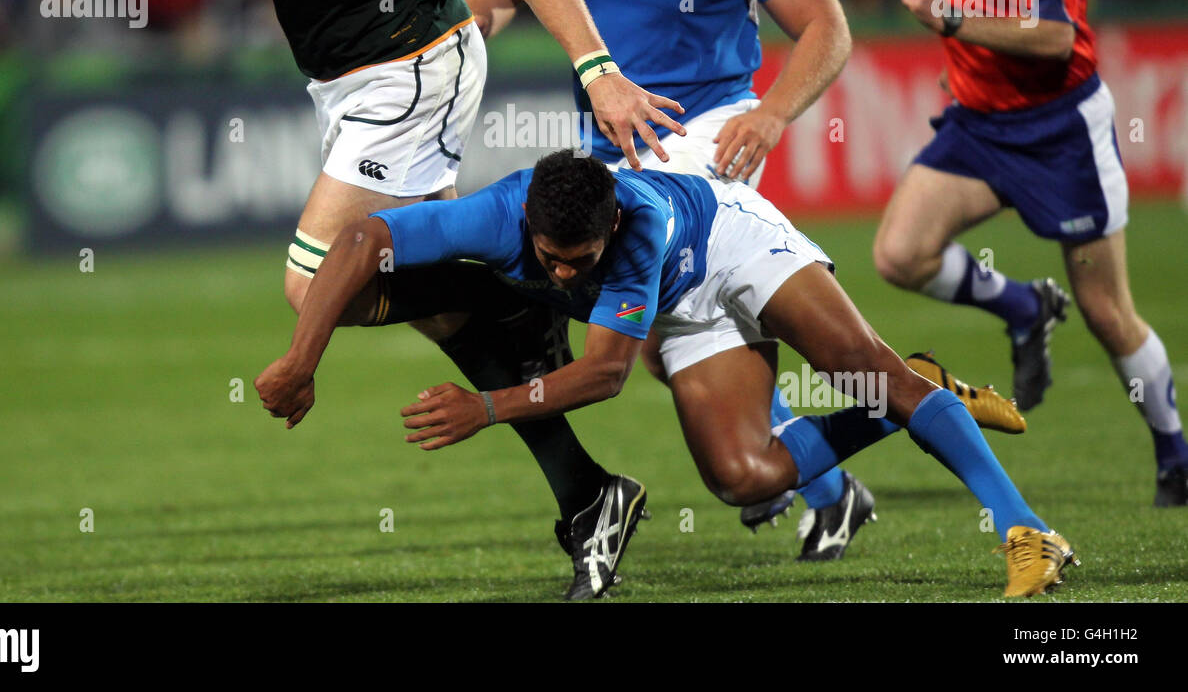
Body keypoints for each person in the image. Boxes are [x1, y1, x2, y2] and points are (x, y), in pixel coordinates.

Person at [60, 0, 687, 597]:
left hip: (418, 67)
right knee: (432, 305)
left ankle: (518, 296)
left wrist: (598, 69)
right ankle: (584, 480)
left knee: (316, 279)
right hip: (335, 84)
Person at [459, 0, 1020, 560]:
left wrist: (773, 113)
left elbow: (827, 27)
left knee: (645, 316)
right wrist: (472, 34)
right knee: (665, 351)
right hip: (611, 147)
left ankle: (904, 406)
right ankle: (835, 477)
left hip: (703, 141)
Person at [255, 149, 1074, 599]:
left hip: (737, 248)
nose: (567, 277)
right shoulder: (503, 214)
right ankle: (916, 389)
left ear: (611, 223)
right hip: (691, 314)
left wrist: (488, 405)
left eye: (581, 262)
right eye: (552, 262)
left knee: (866, 370)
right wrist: (301, 359)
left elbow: (607, 373)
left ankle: (1027, 529)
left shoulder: (637, 229)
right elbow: (363, 239)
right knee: (745, 478)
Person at [872, 0, 1188, 506]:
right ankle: (1022, 305)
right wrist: (959, 59)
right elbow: (968, 9)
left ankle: (1174, 450)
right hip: (980, 126)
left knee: (1110, 313)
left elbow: (1059, 37)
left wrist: (952, 20)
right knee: (898, 253)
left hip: (1059, 129)